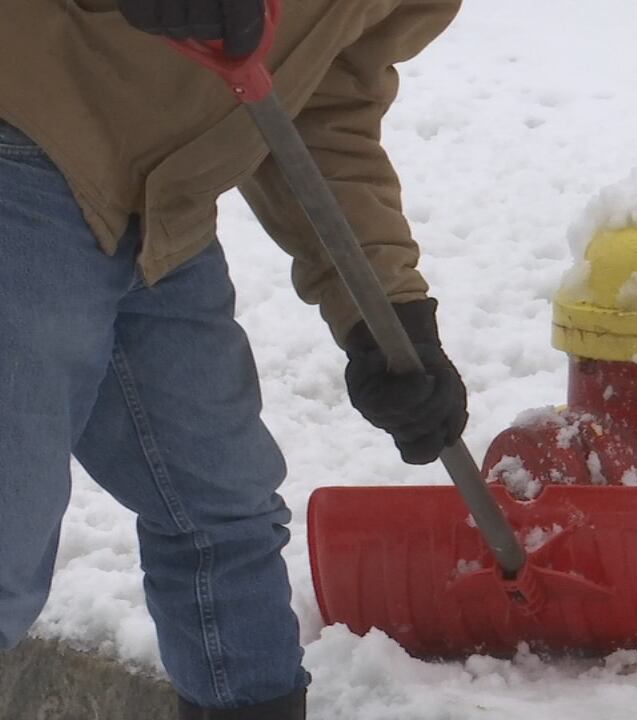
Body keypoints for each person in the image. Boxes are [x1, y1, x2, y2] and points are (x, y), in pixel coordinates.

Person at [0, 1, 469, 717]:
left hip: (165, 211)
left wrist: (386, 310)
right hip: (24, 140)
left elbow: (314, 104)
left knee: (223, 516)